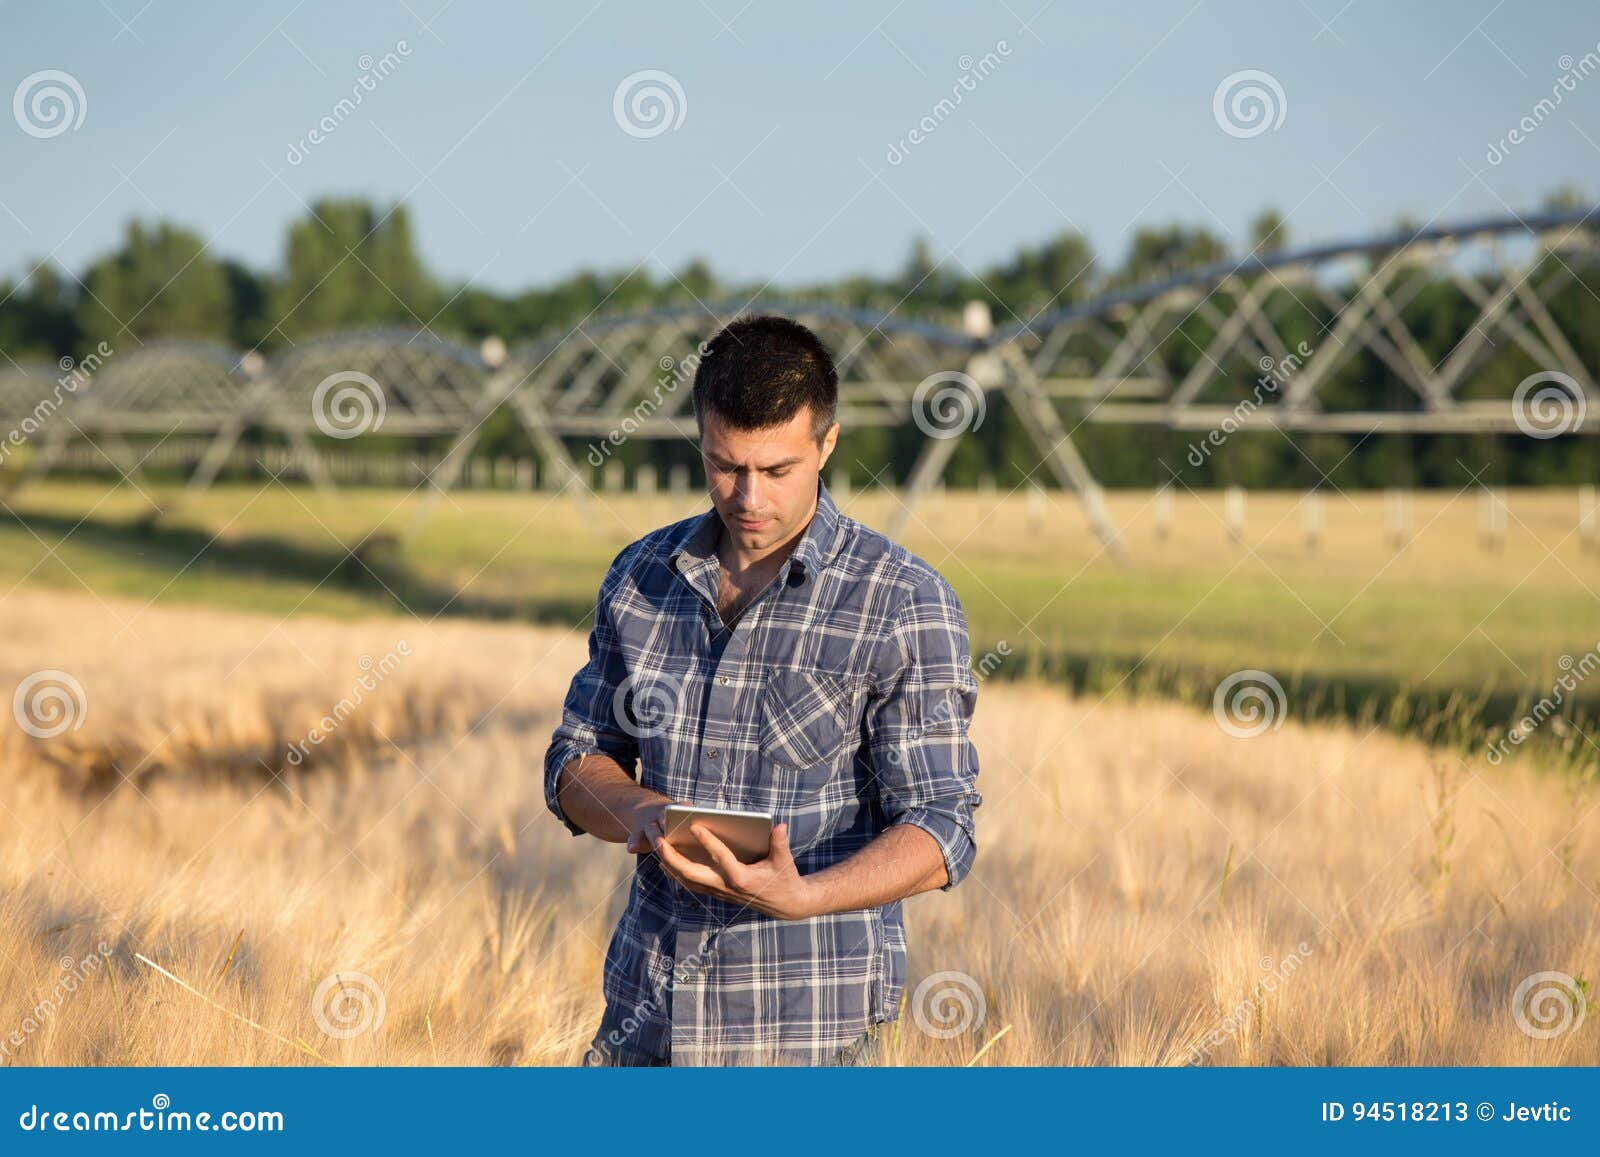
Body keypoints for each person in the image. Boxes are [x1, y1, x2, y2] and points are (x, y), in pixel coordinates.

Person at [544, 314, 981, 1066]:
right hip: (643, 1032)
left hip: (810, 1043)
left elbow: (944, 826)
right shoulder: (640, 578)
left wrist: (803, 894)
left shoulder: (901, 600)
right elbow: (575, 761)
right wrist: (643, 810)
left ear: (828, 443)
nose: (747, 495)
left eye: (776, 469)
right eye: (724, 464)